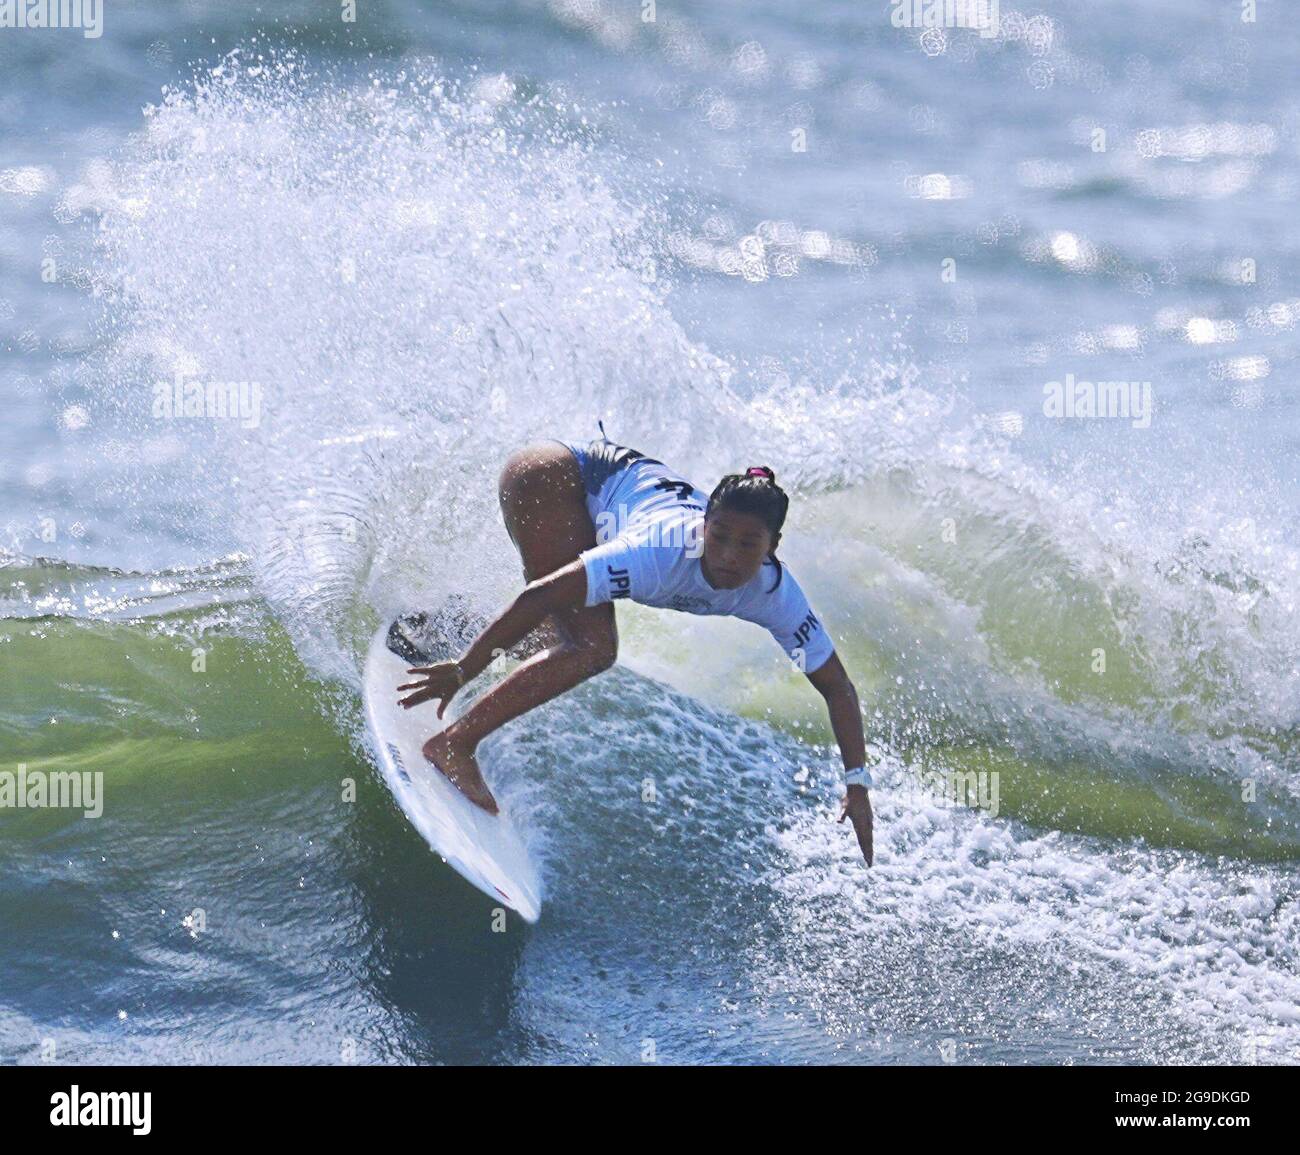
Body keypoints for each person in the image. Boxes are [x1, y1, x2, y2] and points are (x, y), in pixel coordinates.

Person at [397, 433, 874, 865]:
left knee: (552, 642)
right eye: (720, 536)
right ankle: (455, 743)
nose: (729, 555)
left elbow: (837, 687)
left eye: (749, 544)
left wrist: (858, 784)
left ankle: (447, 627)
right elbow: (541, 594)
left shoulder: (775, 595)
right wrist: (465, 671)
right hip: (550, 478)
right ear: (705, 524)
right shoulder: (661, 552)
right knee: (591, 647)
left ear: (773, 546)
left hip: (582, 483)